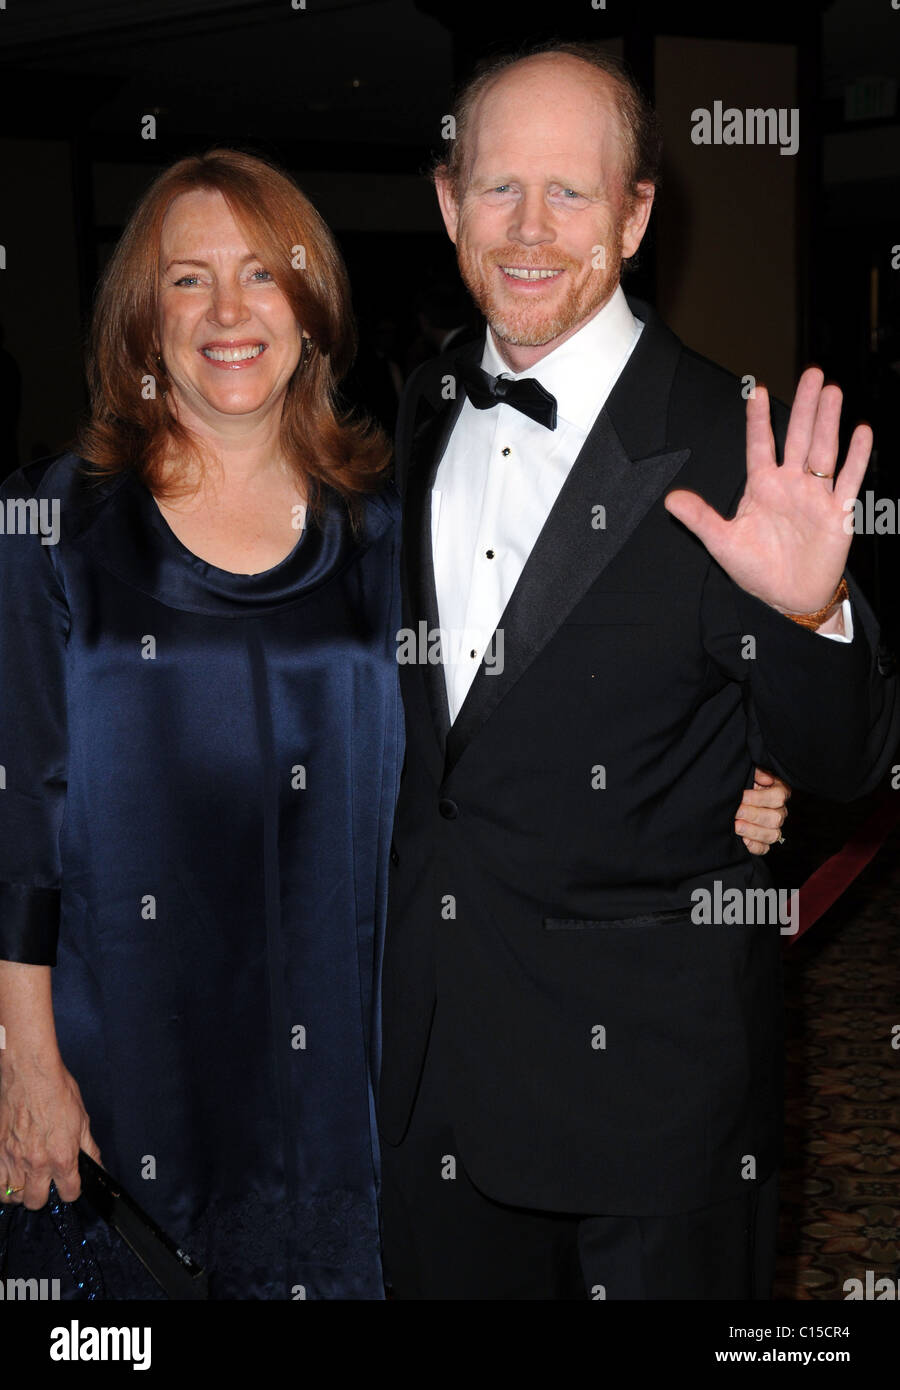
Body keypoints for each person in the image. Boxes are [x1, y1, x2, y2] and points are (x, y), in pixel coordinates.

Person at [378, 42, 899, 1300]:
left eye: (572, 192)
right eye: (498, 188)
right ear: (449, 203)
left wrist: (810, 608)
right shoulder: (426, 403)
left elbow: (848, 758)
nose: (531, 230)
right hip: (437, 1071)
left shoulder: (733, 438)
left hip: (651, 1110)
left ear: (636, 211)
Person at [0, 149, 401, 1299]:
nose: (229, 311)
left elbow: (482, 757)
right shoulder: (47, 527)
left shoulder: (385, 537)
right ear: (142, 321)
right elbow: (16, 822)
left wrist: (718, 779)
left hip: (343, 1090)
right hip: (122, 1079)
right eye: (187, 280)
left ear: (311, 311)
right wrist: (27, 1063)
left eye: (262, 276)